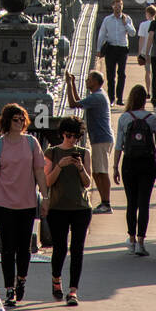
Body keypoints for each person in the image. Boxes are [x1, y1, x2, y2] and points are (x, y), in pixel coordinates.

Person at [0, 104, 49, 309]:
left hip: (26, 202)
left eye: (22, 119)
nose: (20, 122)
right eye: (16, 119)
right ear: (7, 122)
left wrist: (45, 197)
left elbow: (40, 171)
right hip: (2, 203)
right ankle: (9, 289)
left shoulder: (32, 143)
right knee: (8, 247)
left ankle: (21, 279)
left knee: (24, 247)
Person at [44, 117, 92, 306]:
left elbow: (87, 183)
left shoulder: (84, 152)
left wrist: (80, 168)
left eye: (76, 136)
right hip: (57, 208)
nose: (72, 140)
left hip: (81, 208)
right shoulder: (52, 152)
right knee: (60, 248)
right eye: (69, 135)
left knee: (77, 249)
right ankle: (56, 280)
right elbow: (47, 182)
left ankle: (73, 291)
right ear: (62, 134)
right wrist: (60, 166)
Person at [112, 84, 156, 255]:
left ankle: (131, 240)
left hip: (129, 163)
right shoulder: (153, 119)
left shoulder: (124, 118)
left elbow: (119, 145)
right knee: (144, 202)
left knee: (131, 203)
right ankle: (141, 242)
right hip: (148, 163)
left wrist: (115, 167)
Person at [64, 69, 114, 213]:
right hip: (100, 138)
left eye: (89, 79)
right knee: (97, 172)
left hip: (101, 139)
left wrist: (68, 83)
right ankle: (104, 202)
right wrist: (73, 83)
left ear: (96, 82)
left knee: (101, 172)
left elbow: (73, 103)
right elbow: (80, 101)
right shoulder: (96, 96)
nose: (86, 81)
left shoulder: (97, 97)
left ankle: (106, 203)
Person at [96, 0, 136, 104]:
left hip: (122, 48)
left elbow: (133, 33)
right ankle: (111, 98)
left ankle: (120, 98)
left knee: (121, 74)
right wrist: (98, 49)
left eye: (120, 6)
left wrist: (125, 24)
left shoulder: (127, 19)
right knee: (111, 74)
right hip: (111, 48)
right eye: (116, 6)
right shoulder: (107, 20)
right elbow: (102, 34)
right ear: (112, 6)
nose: (118, 8)